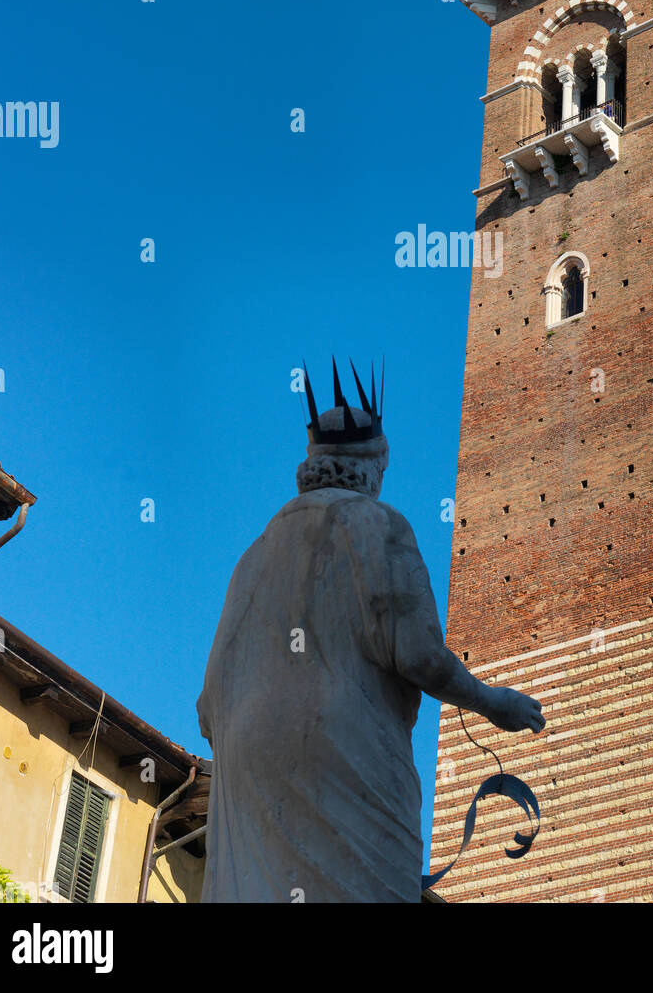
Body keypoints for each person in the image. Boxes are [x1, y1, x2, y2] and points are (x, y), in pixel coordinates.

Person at [197, 362, 544, 903]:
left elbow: (207, 706)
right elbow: (423, 658)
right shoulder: (380, 526)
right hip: (348, 743)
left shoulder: (251, 559)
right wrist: (491, 702)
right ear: (373, 466)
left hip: (247, 758)